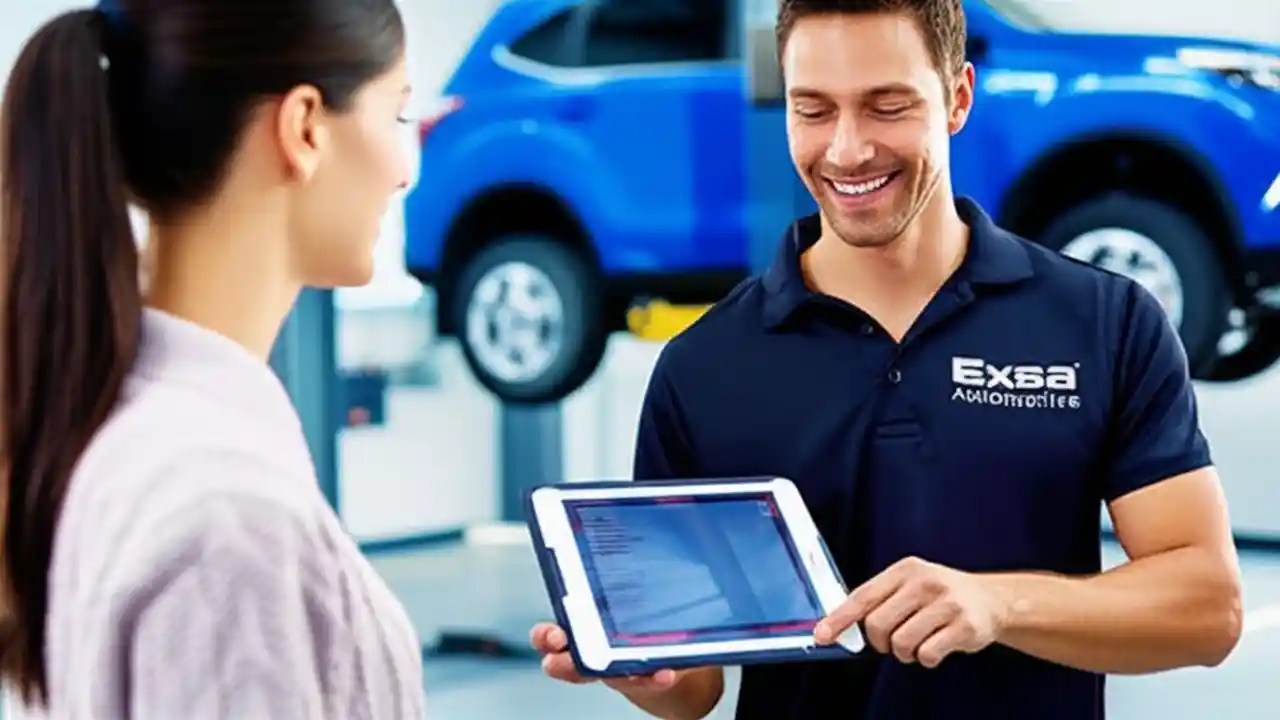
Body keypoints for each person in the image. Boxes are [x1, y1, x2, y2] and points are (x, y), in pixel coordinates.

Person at [530, 0, 1244, 718]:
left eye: (886, 106)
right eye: (813, 110)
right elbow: (694, 691)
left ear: (957, 97)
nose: (846, 150)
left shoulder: (1103, 323)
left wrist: (999, 603)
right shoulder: (703, 366)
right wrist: (632, 665)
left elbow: (1207, 610)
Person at [0, 1, 426, 717]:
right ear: (304, 128)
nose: (403, 171)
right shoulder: (228, 515)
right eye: (397, 116)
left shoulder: (124, 431)